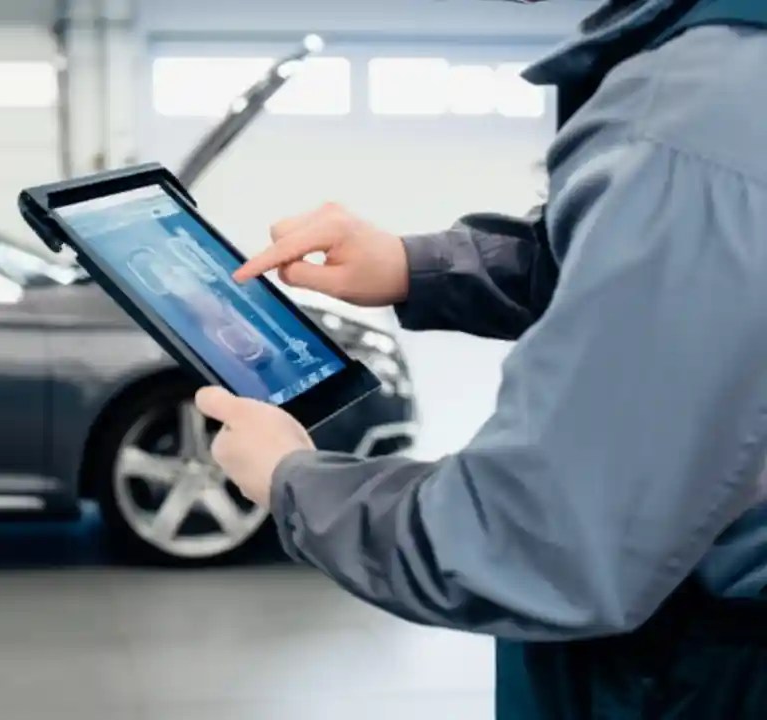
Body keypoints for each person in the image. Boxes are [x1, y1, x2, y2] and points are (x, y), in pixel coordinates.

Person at [193, 1, 767, 717]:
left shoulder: (695, 113)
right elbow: (657, 261)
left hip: (701, 675)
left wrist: (293, 482)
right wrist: (415, 265)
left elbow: (539, 544)